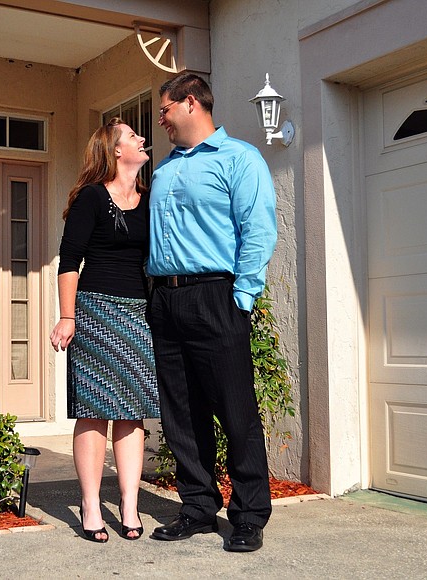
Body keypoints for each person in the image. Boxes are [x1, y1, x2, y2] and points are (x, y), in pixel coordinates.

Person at [146, 73, 277, 552]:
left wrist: (241, 297)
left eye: (164, 109)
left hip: (216, 296)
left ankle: (248, 514)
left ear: (190, 103)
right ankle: (199, 507)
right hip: (166, 300)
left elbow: (257, 229)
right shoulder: (163, 170)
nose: (160, 118)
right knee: (180, 412)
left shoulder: (240, 158)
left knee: (235, 409)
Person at [50, 117, 160, 543]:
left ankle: (129, 505)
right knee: (94, 411)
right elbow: (68, 260)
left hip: (137, 313)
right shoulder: (91, 198)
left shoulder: (149, 199)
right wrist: (67, 316)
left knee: (131, 413)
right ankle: (92, 505)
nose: (141, 138)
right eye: (133, 135)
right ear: (116, 150)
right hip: (94, 311)